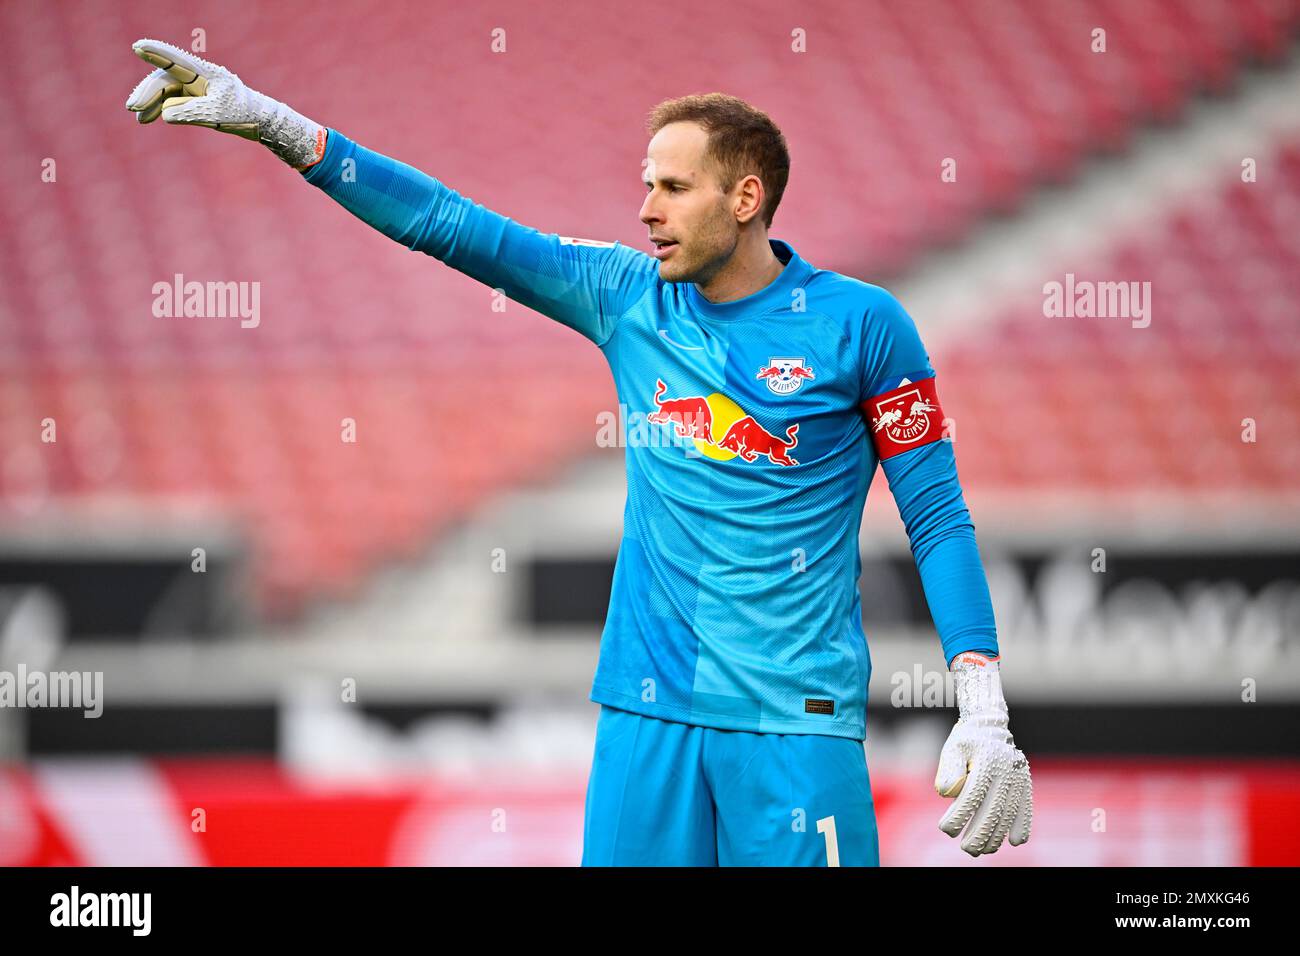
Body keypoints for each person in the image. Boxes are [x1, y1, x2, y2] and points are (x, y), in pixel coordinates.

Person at [125, 38, 1032, 866]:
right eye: (646, 185)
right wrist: (280, 128)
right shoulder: (624, 293)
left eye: (674, 189)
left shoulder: (866, 327)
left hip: (797, 727)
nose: (646, 211)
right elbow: (450, 224)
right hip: (646, 714)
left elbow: (939, 518)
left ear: (745, 197)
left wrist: (982, 701)